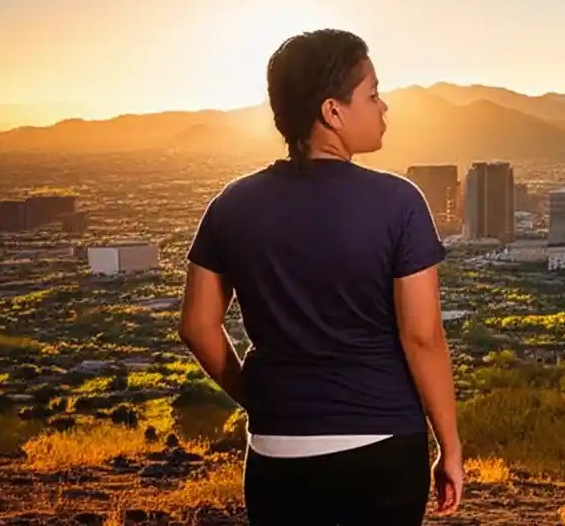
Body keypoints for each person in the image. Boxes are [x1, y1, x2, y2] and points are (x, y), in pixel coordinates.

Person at [178, 29, 463, 525]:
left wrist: (259, 397)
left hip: (278, 450)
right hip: (382, 446)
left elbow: (198, 326)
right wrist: (450, 445)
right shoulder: (399, 203)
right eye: (372, 95)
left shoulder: (232, 204)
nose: (384, 107)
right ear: (332, 112)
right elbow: (422, 337)